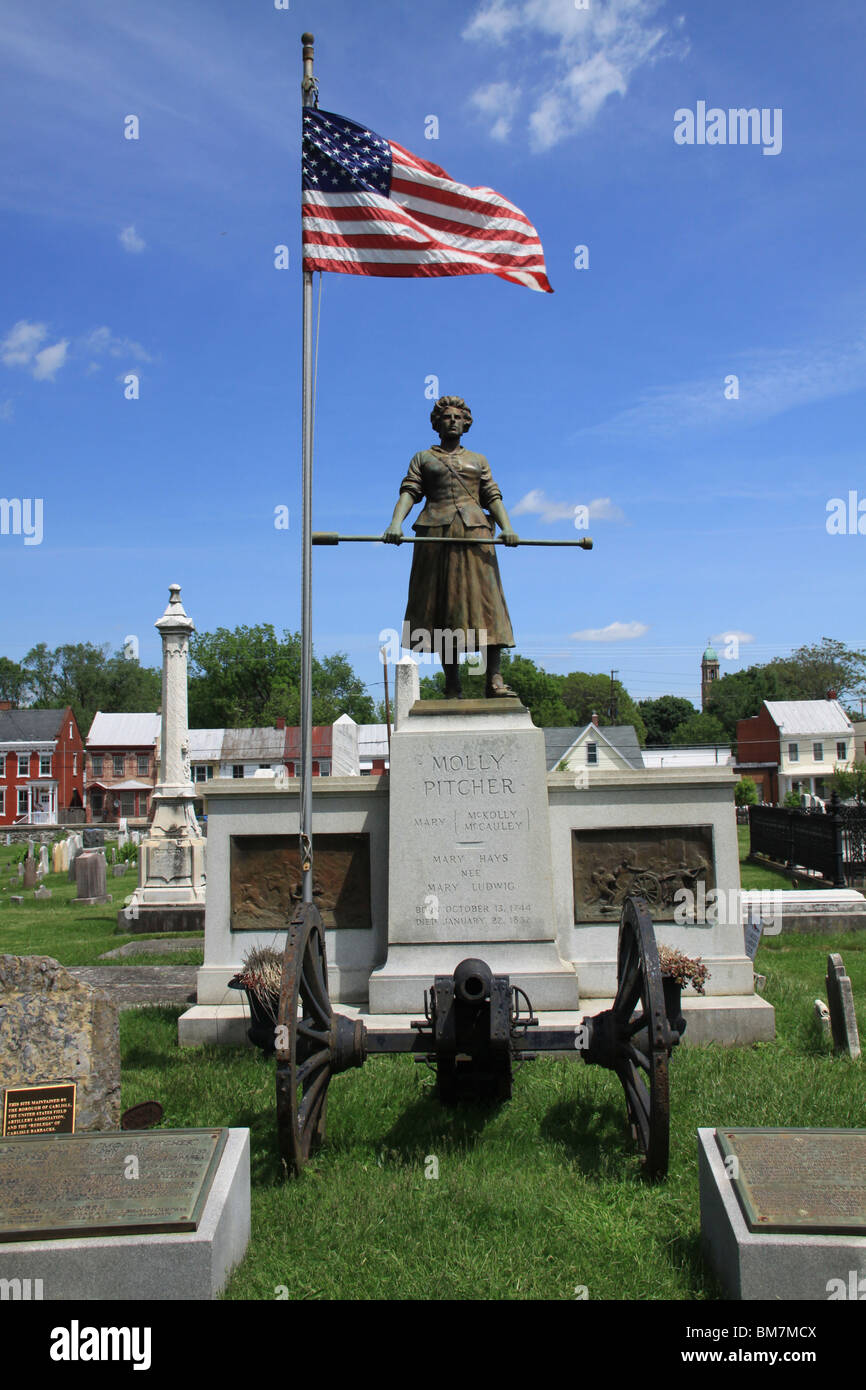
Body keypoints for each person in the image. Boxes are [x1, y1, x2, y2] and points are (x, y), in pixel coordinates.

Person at [383, 396, 519, 698]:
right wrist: (396, 523)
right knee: (445, 607)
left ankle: (493, 680)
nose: (453, 421)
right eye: (447, 417)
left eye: (459, 417)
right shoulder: (423, 458)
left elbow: (492, 496)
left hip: (475, 534)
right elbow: (409, 491)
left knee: (489, 606)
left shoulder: (479, 460)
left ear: (467, 423)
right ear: (437, 423)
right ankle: (452, 683)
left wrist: (507, 528)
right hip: (436, 534)